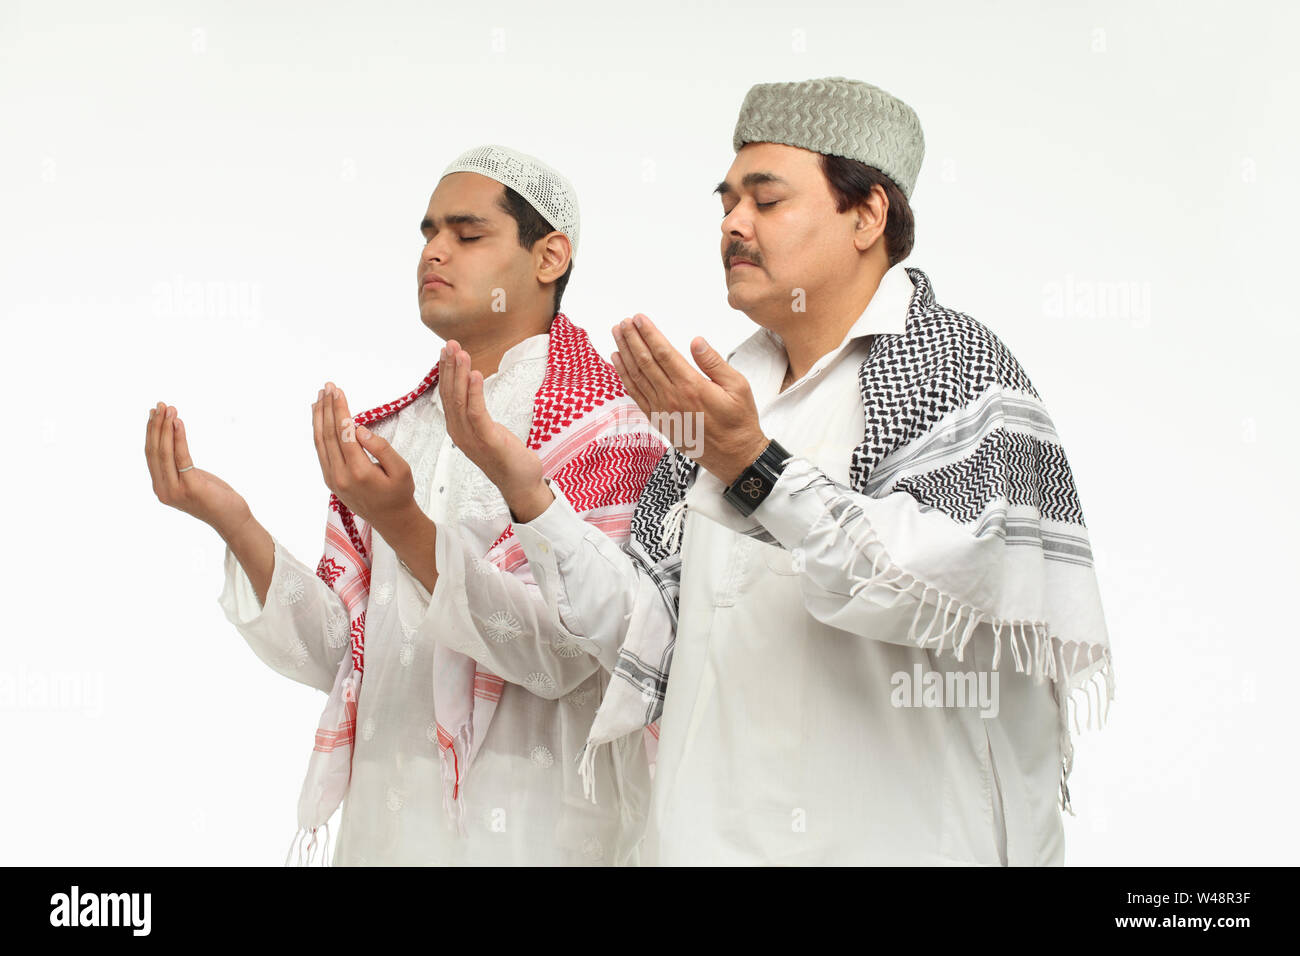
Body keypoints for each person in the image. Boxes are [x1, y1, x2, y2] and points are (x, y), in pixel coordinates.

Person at [446, 79, 1115, 865]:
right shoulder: (731, 390)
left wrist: (749, 466)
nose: (732, 223)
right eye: (728, 201)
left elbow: (947, 586)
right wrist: (527, 490)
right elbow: (644, 627)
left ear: (867, 215)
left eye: (765, 201)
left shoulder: (954, 365)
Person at [143, 144, 665, 866]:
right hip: (387, 833)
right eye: (427, 233)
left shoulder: (610, 428)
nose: (434, 252)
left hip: (538, 832)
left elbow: (565, 655)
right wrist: (231, 521)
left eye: (466, 233)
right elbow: (339, 653)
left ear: (549, 257)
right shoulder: (394, 434)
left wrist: (403, 524)